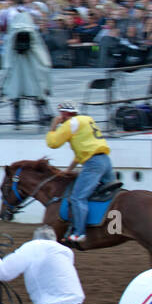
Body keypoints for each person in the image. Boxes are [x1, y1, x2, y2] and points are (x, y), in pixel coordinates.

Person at [46, 100, 115, 245]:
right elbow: (81, 152)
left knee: (78, 198)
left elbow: (53, 143)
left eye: (60, 114)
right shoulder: (87, 119)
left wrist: (53, 126)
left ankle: (79, 233)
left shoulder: (69, 124)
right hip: (105, 161)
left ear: (64, 114)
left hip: (93, 165)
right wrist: (69, 170)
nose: (60, 116)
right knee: (112, 195)